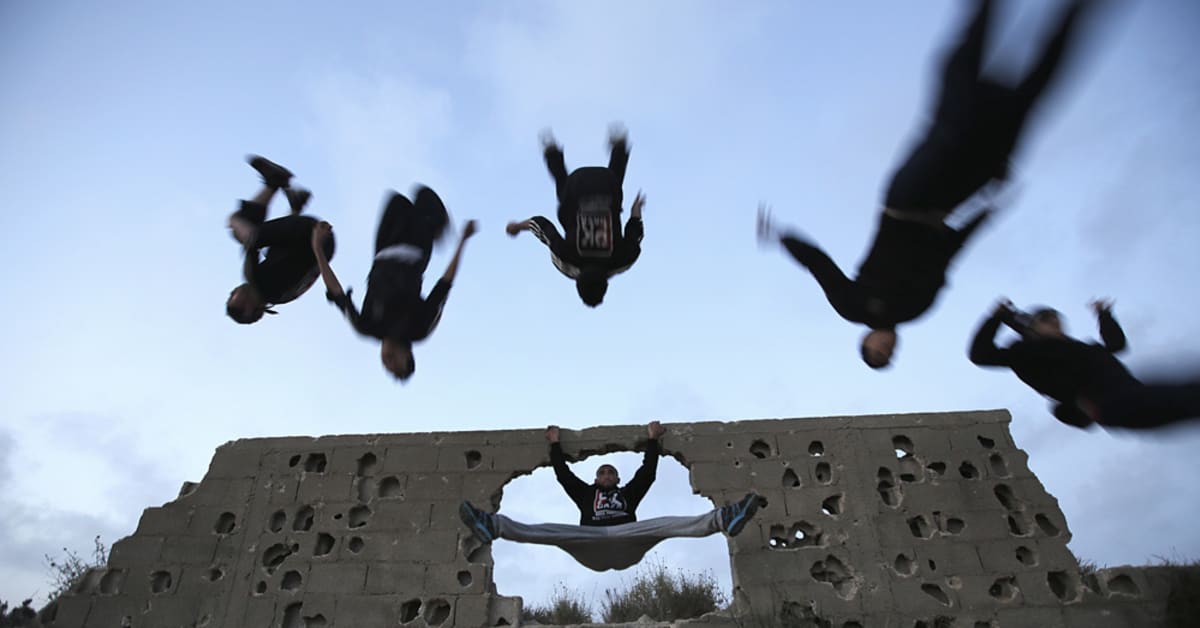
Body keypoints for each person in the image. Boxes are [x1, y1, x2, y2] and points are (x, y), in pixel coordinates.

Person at [758, 0, 1101, 368]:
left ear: (867, 340)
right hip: (943, 208)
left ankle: (982, 18)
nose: (889, 347)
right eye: (891, 354)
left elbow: (819, 264)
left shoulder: (853, 307)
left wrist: (783, 238)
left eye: (879, 350)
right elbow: (947, 255)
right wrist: (982, 217)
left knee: (952, 127)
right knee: (1014, 118)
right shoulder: (919, 309)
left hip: (906, 200)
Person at [459, 421, 764, 571]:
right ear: (596, 478)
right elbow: (564, 475)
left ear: (617, 479)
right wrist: (555, 444)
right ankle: (493, 526)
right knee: (547, 530)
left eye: (611, 473)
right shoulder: (585, 494)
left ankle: (725, 518)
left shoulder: (628, 494)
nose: (606, 476)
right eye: (602, 473)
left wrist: (652, 440)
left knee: (665, 524)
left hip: (627, 541)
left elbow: (647, 474)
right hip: (590, 544)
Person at [311, 186, 477, 381]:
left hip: (385, 246)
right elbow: (443, 287)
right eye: (396, 365)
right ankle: (438, 226)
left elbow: (337, 293)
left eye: (387, 367)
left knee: (397, 199)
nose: (388, 363)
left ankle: (435, 224)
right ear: (408, 355)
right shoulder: (419, 329)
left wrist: (318, 249)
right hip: (417, 247)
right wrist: (463, 242)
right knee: (425, 196)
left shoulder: (366, 326)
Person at [969, 298, 1200, 430]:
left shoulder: (1084, 349)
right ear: (1034, 328)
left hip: (1133, 393)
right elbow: (980, 354)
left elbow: (1117, 344)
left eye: (1057, 320)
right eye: (1047, 321)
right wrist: (996, 318)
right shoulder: (1027, 352)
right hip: (1110, 403)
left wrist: (1104, 314)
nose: (1055, 324)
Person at [506, 126, 646, 307]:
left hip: (607, 181)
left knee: (612, 196)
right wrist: (517, 226)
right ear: (577, 281)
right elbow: (541, 224)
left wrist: (637, 208)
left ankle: (619, 147)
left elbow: (635, 229)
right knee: (566, 199)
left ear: (606, 283)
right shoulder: (567, 259)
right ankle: (551, 150)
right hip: (574, 187)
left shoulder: (622, 260)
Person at [226, 155, 333, 324]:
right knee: (238, 226)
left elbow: (292, 260)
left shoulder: (282, 296)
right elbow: (252, 241)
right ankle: (274, 181)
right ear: (247, 308)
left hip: (324, 243)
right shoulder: (255, 280)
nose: (231, 292)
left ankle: (295, 207)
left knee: (271, 251)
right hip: (309, 233)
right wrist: (237, 224)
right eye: (232, 297)